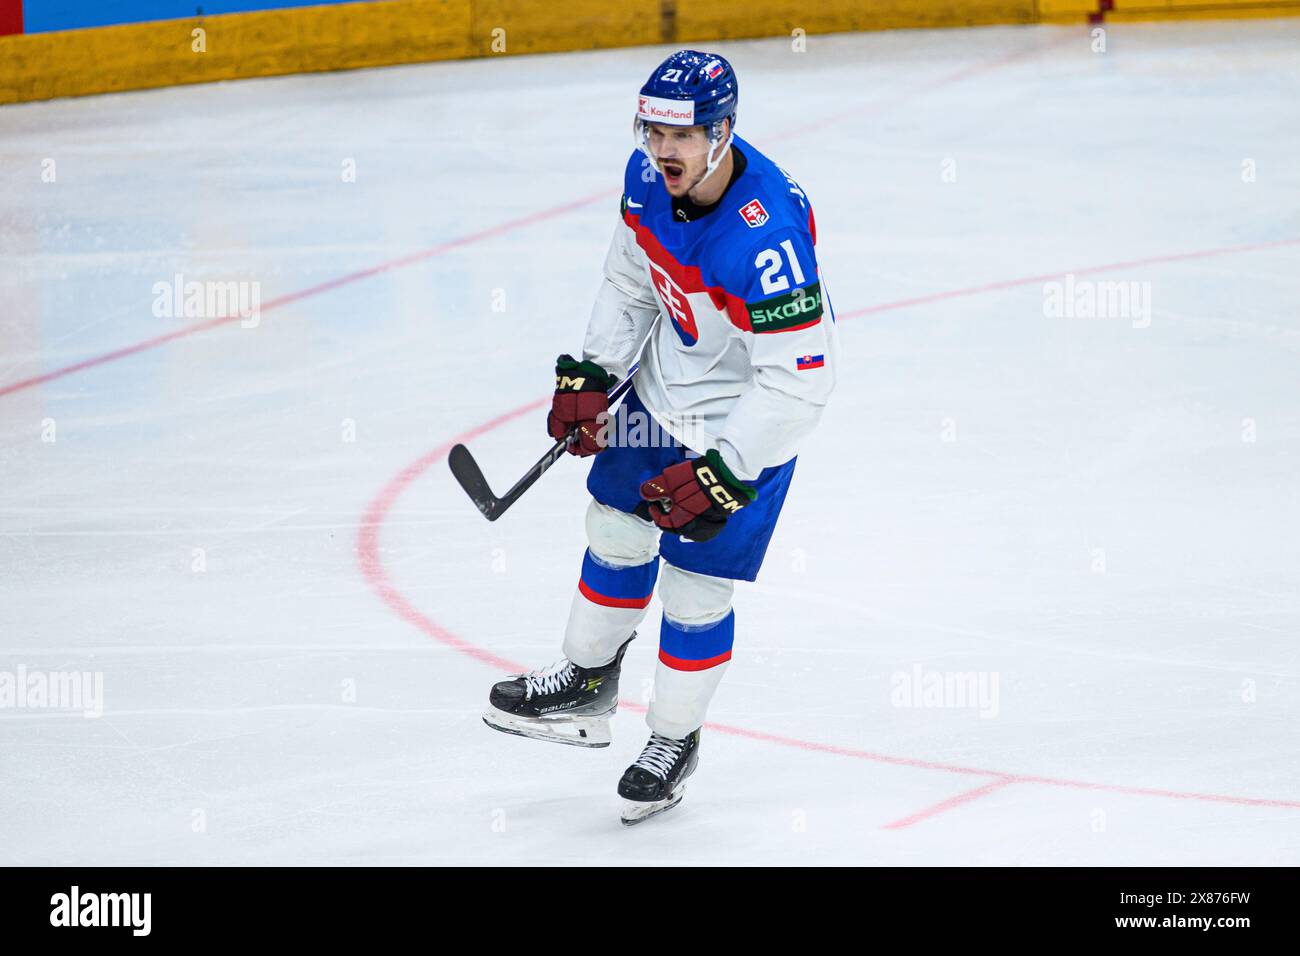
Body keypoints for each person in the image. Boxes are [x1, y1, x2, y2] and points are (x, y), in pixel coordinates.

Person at [483, 49, 837, 825]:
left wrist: (725, 473)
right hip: (661, 392)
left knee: (696, 585)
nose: (662, 149)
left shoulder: (766, 238)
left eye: (681, 135)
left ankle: (673, 741)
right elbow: (630, 279)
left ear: (723, 132)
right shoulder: (646, 179)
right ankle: (586, 681)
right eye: (653, 131)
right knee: (612, 526)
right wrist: (593, 371)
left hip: (742, 430)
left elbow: (800, 381)